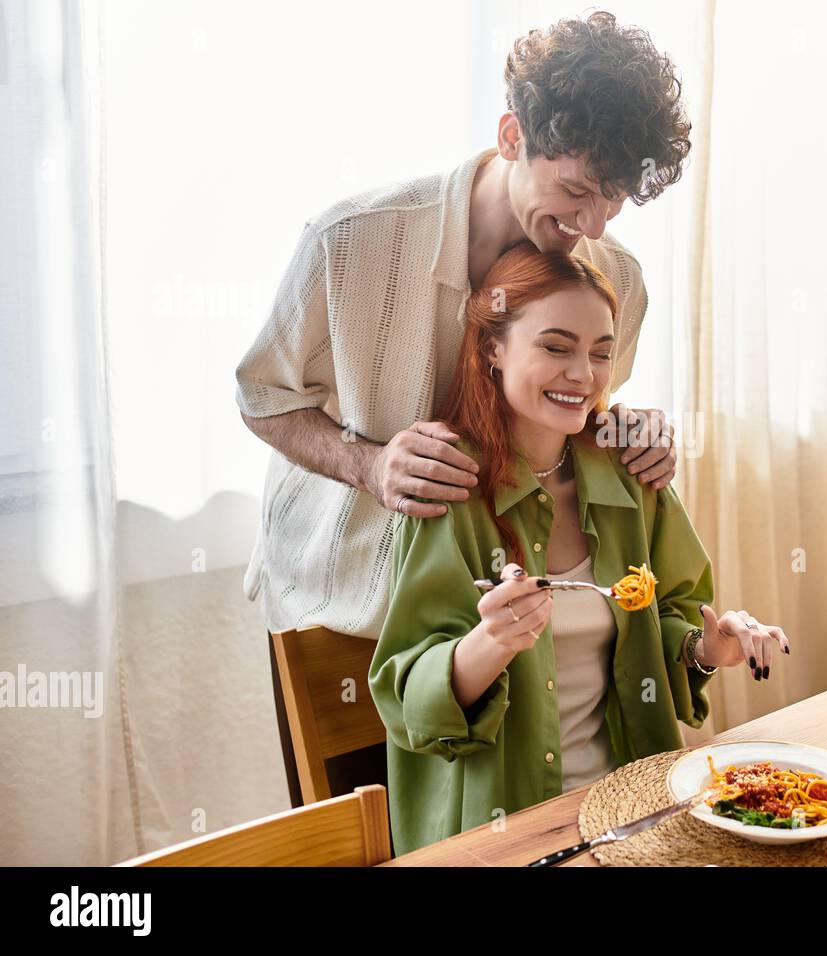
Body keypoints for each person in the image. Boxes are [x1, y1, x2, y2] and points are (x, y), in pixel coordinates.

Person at [233, 13, 692, 802]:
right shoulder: (353, 241)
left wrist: (631, 427)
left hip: (495, 635)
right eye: (577, 189)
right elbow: (263, 394)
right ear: (513, 134)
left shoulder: (618, 273)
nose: (591, 225)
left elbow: (569, 413)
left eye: (613, 198)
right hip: (342, 619)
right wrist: (369, 464)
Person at [370, 244, 790, 852]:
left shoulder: (629, 472)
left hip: (635, 810)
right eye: (555, 346)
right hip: (502, 828)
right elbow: (407, 702)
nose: (583, 375)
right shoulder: (448, 487)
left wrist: (706, 648)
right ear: (494, 348)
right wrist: (491, 642)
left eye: (600, 352)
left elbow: (663, 626)